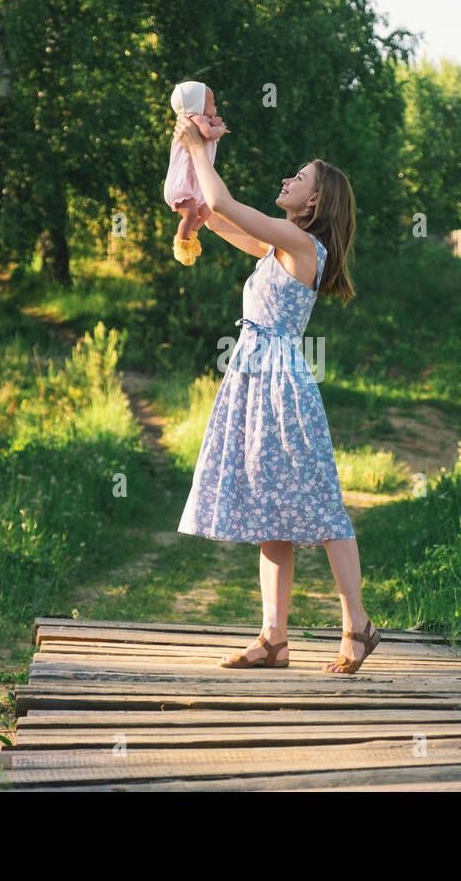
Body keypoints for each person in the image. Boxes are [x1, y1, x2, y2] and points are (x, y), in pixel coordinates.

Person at [172, 113, 380, 674]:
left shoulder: (299, 242)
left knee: (323, 508)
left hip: (281, 385)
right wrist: (196, 179)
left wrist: (196, 148)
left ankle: (357, 625)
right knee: (270, 511)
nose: (288, 179)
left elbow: (230, 204)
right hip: (255, 378)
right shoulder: (277, 248)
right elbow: (218, 214)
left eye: (299, 177)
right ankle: (273, 640)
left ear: (313, 204)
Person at [162, 80, 229, 265]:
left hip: (194, 182)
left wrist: (213, 123)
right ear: (198, 104)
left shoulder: (199, 120)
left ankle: (192, 232)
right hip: (183, 182)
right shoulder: (194, 117)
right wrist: (220, 130)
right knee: (191, 214)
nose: (215, 105)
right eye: (212, 101)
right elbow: (208, 134)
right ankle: (181, 241)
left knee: (206, 211)